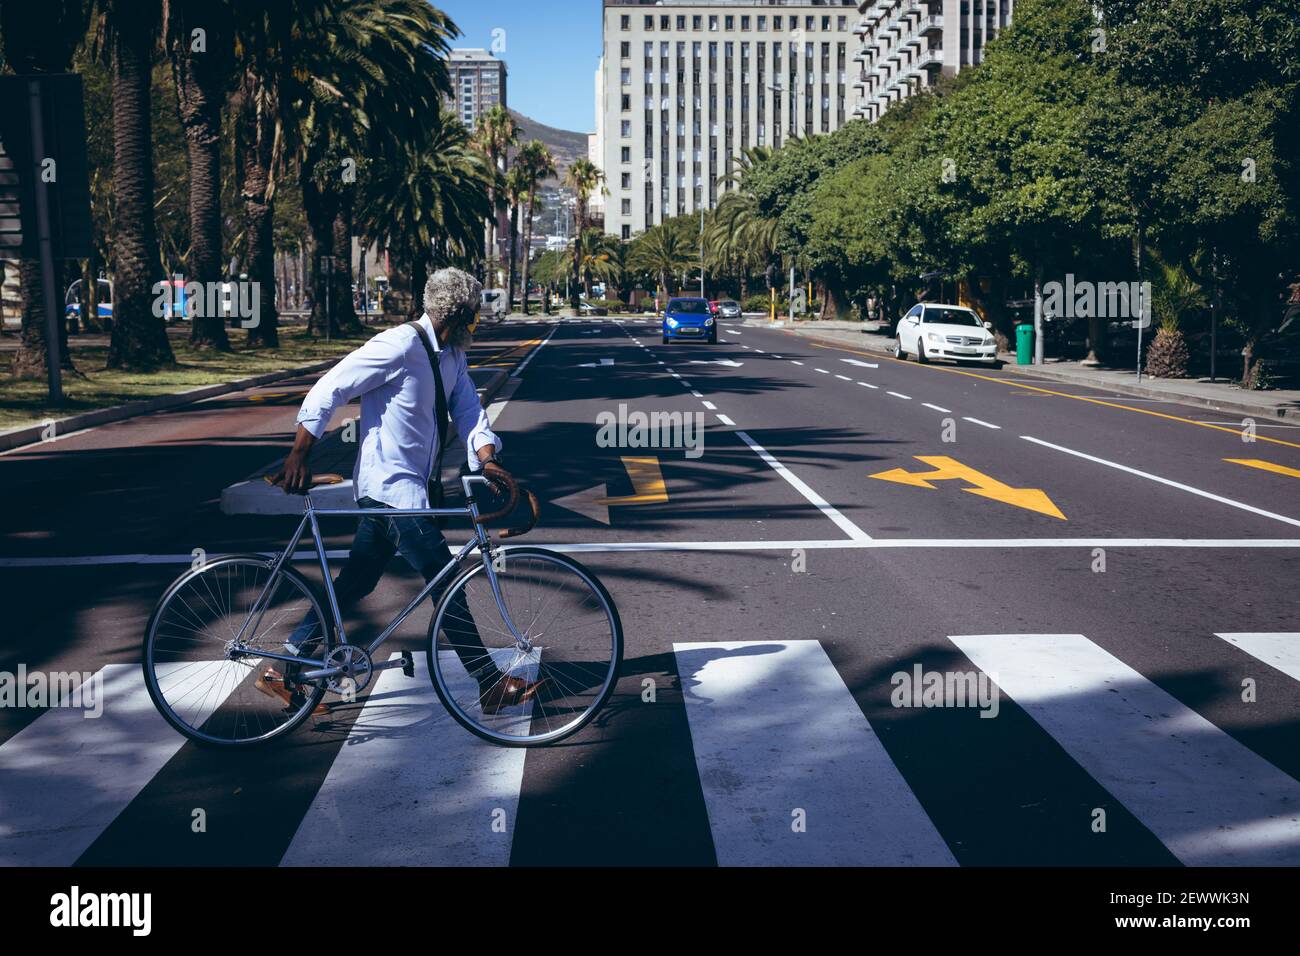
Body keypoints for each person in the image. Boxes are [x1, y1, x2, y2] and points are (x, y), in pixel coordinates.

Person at [259, 268, 542, 715]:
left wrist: (487, 458)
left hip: (413, 490)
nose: (477, 325)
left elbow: (469, 411)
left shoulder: (450, 356)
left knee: (356, 581)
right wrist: (300, 452)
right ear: (461, 313)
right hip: (391, 490)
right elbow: (333, 385)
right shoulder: (399, 345)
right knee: (444, 580)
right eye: (474, 317)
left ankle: (286, 666)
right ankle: (488, 681)